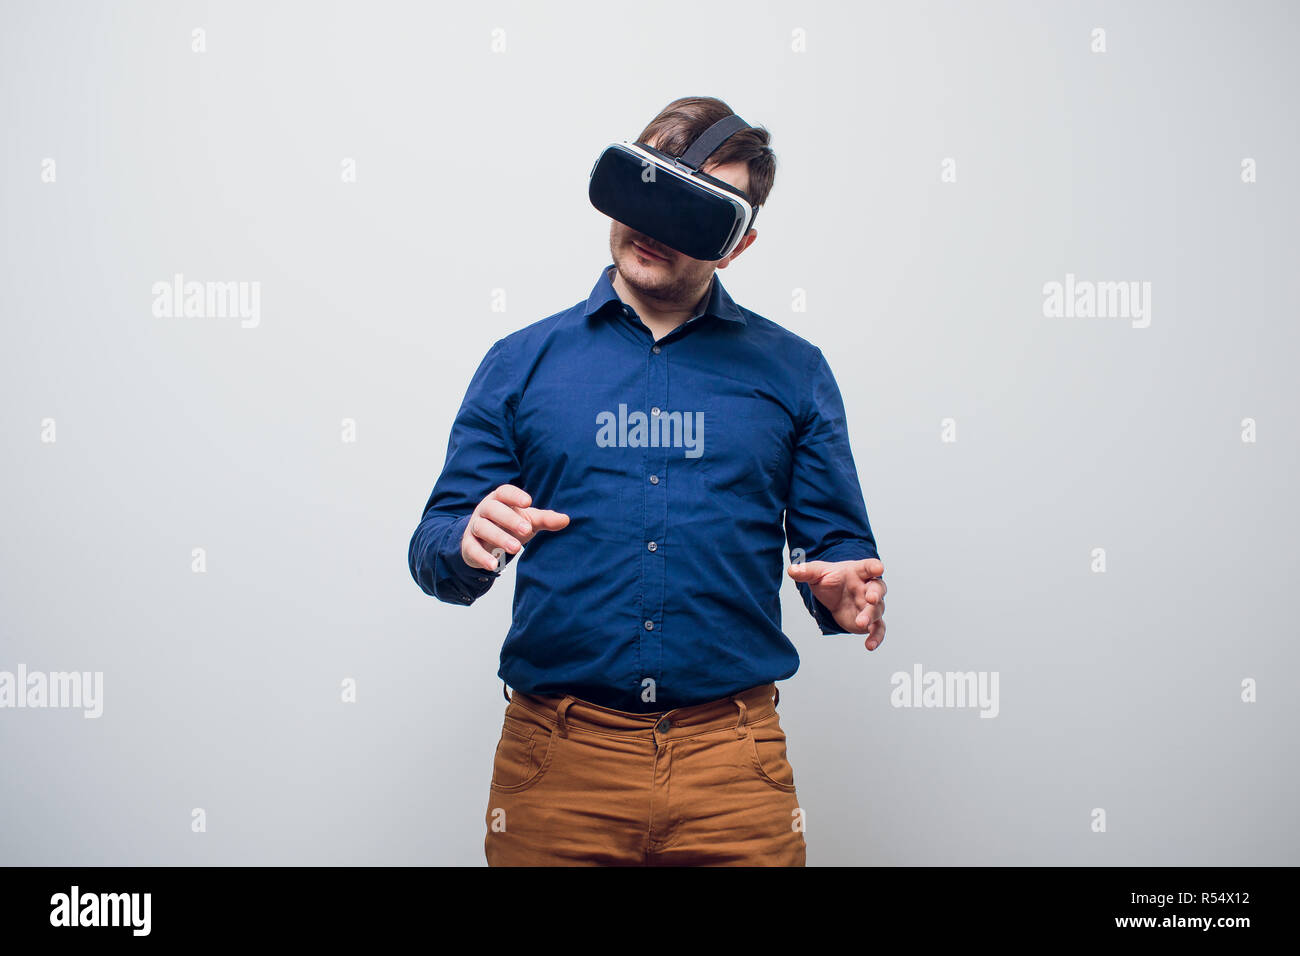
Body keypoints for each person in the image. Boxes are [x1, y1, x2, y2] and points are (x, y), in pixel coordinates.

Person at [408, 96, 886, 866]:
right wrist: (462, 542)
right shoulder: (520, 363)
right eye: (651, 189)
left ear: (737, 244)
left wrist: (842, 589)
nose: (657, 226)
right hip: (557, 764)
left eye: (696, 211)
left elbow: (839, 546)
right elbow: (434, 549)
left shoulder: (795, 372)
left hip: (733, 768)